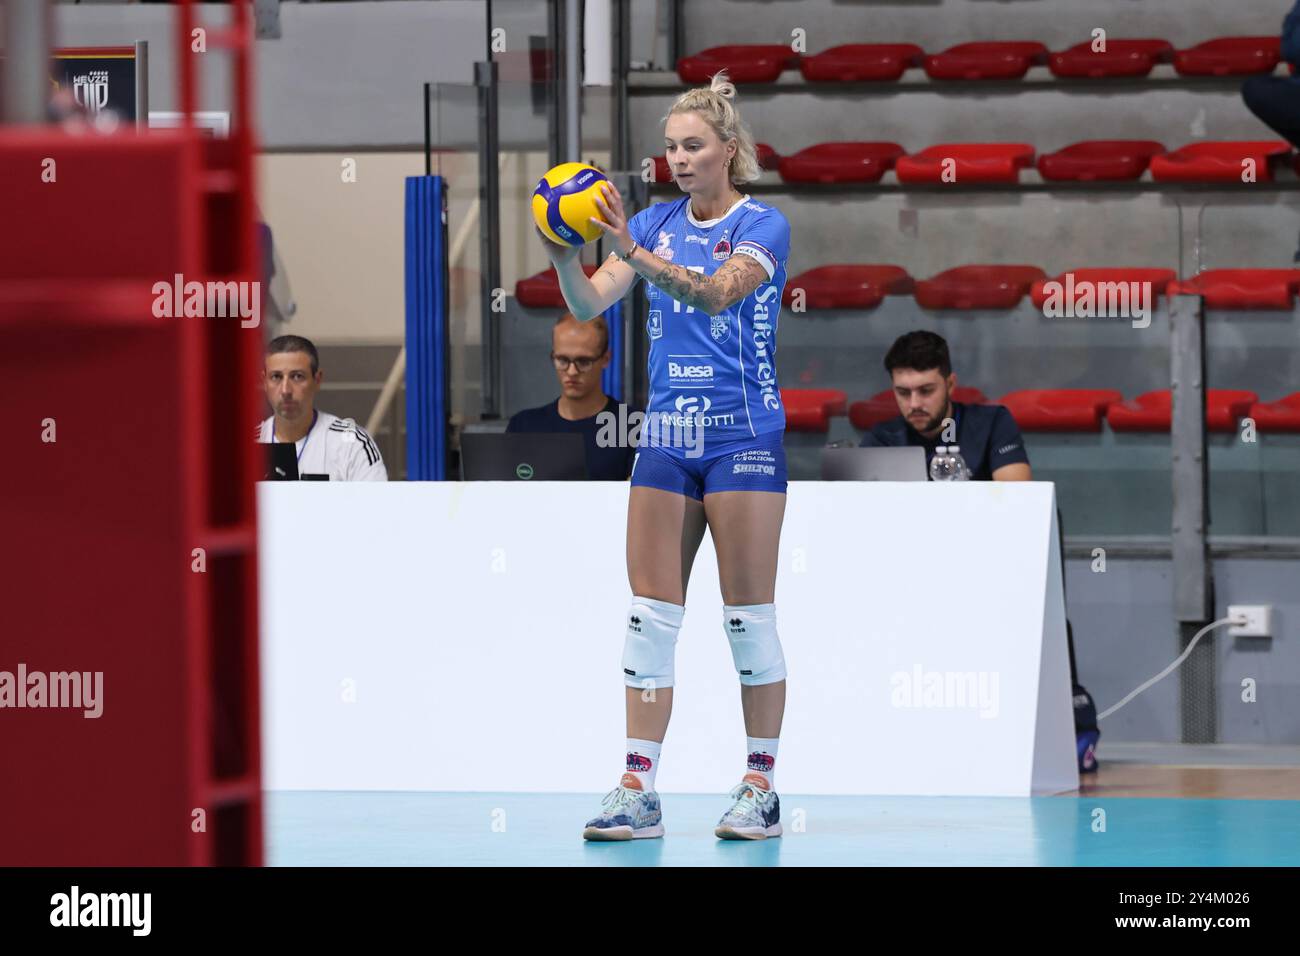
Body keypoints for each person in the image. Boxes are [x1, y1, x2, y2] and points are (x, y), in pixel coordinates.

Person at [538, 71, 793, 840]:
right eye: (669, 148)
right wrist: (562, 253)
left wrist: (632, 253)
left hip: (744, 435)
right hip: (667, 441)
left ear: (728, 149)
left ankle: (760, 785)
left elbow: (716, 293)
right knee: (650, 619)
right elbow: (586, 304)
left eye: (692, 146)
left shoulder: (765, 224)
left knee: (748, 621)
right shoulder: (650, 222)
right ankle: (637, 787)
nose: (677, 159)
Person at [860, 330, 1100, 771]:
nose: (914, 403)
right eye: (903, 392)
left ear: (951, 384)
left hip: (993, 584)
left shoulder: (992, 423)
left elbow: (1020, 503)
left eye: (926, 391)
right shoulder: (881, 439)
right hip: (913, 590)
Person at [506, 313, 635, 480]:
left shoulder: (632, 427)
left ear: (605, 359)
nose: (572, 372)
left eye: (583, 362)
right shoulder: (523, 427)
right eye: (562, 360)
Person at [256, 334, 388, 481]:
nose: (286, 390)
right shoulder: (245, 444)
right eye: (276, 377)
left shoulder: (351, 443)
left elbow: (376, 503)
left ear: (317, 380)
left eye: (297, 376)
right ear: (264, 382)